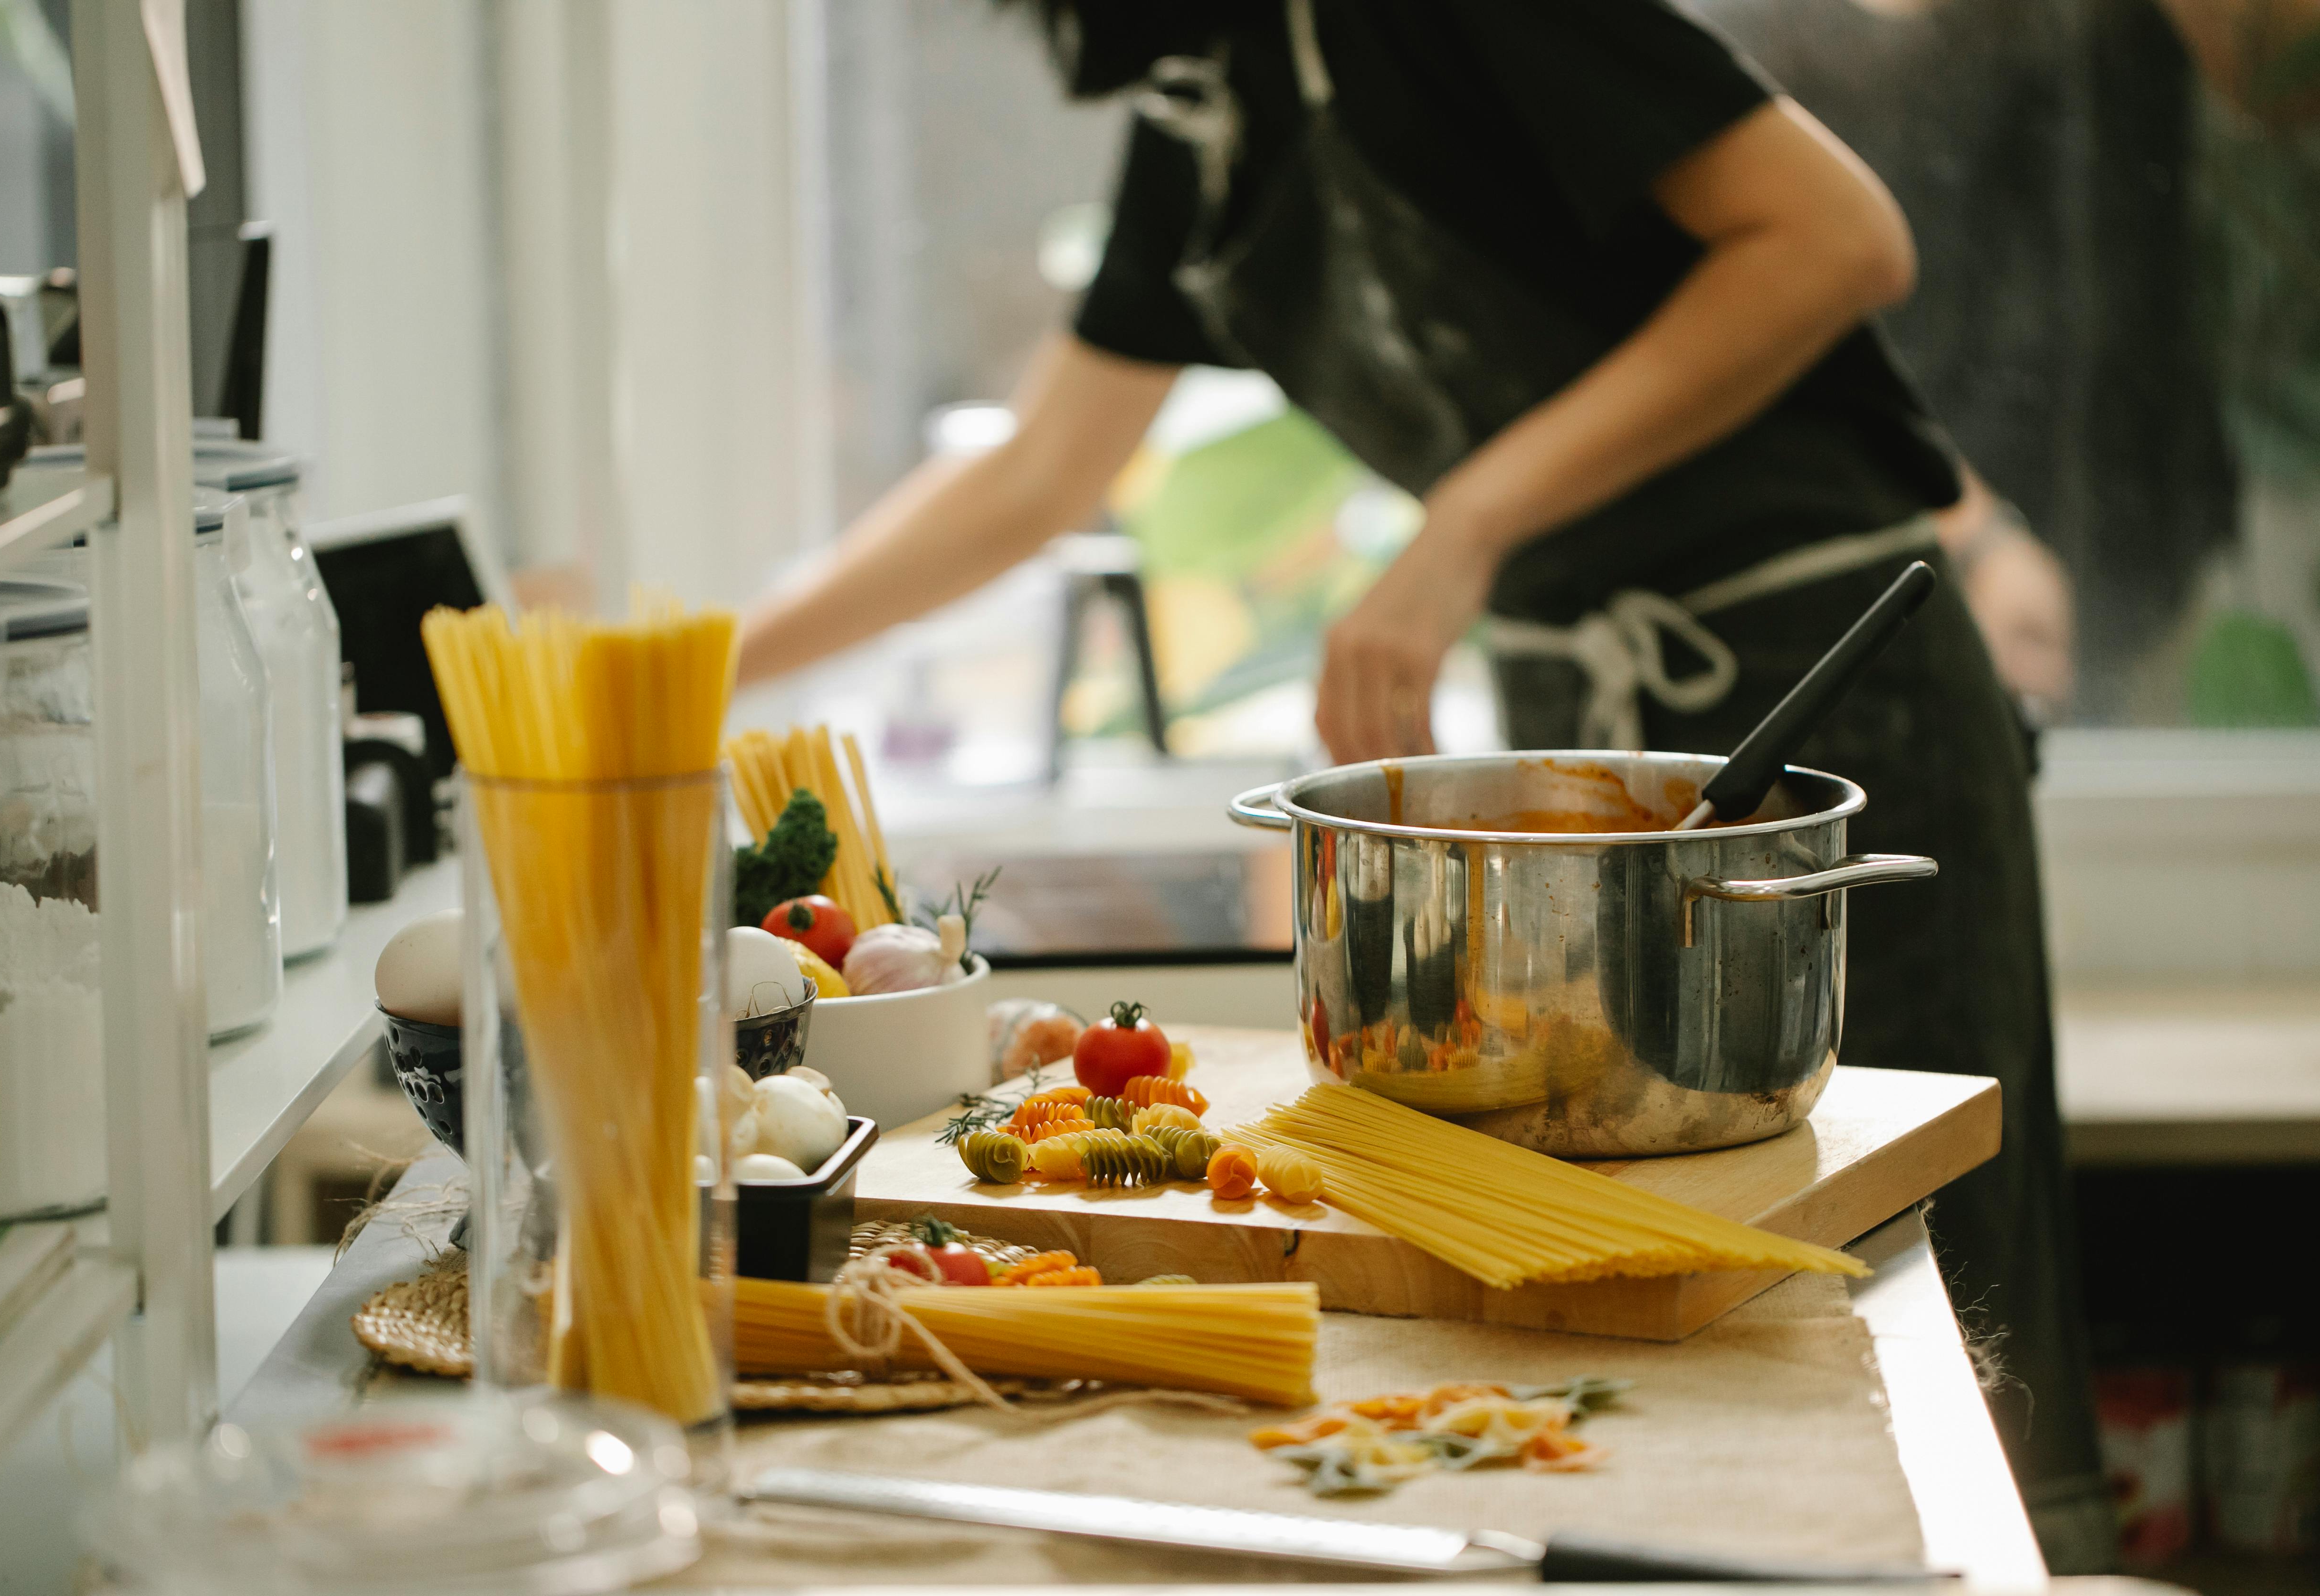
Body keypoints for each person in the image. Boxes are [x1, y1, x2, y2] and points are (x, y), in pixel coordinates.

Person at [740, 0, 2109, 1562]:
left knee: (1908, 1275)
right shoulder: (1212, 98)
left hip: (1822, 695)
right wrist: (715, 658)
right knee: (1659, 1300)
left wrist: (1467, 522)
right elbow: (1046, 470)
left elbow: (1836, 236)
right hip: (1575, 726)